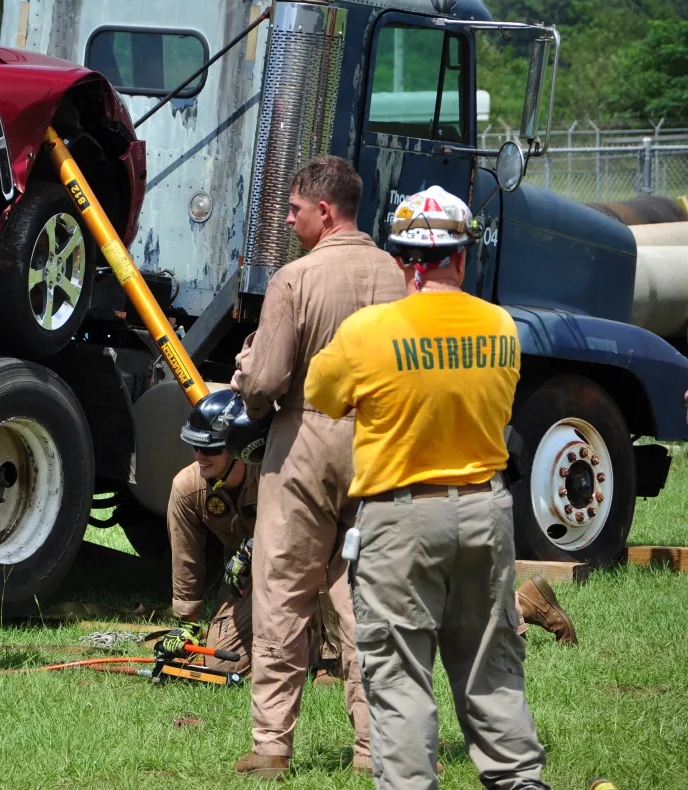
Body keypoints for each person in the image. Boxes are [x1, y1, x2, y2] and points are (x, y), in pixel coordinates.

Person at [304, 185, 550, 789]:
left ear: (398, 259)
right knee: (491, 665)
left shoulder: (367, 332)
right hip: (486, 509)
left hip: (400, 518)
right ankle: (522, 781)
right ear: (462, 258)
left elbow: (320, 394)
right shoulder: (501, 327)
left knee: (399, 675)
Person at [228, 155, 408, 779]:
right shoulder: (396, 275)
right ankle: (373, 750)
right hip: (381, 443)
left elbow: (267, 381)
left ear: (324, 212)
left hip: (306, 435)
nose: (287, 217)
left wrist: (244, 377)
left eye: (295, 209)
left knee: (282, 590)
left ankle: (272, 747)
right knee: (368, 599)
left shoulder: (295, 279)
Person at [164, 389, 345, 680]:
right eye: (195, 447)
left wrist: (255, 545)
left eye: (210, 449)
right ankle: (299, 647)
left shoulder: (279, 473)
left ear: (238, 449)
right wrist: (187, 624)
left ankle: (330, 659)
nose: (199, 456)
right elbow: (186, 560)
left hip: (301, 567)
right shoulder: (187, 489)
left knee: (318, 556)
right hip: (247, 580)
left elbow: (316, 532)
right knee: (222, 666)